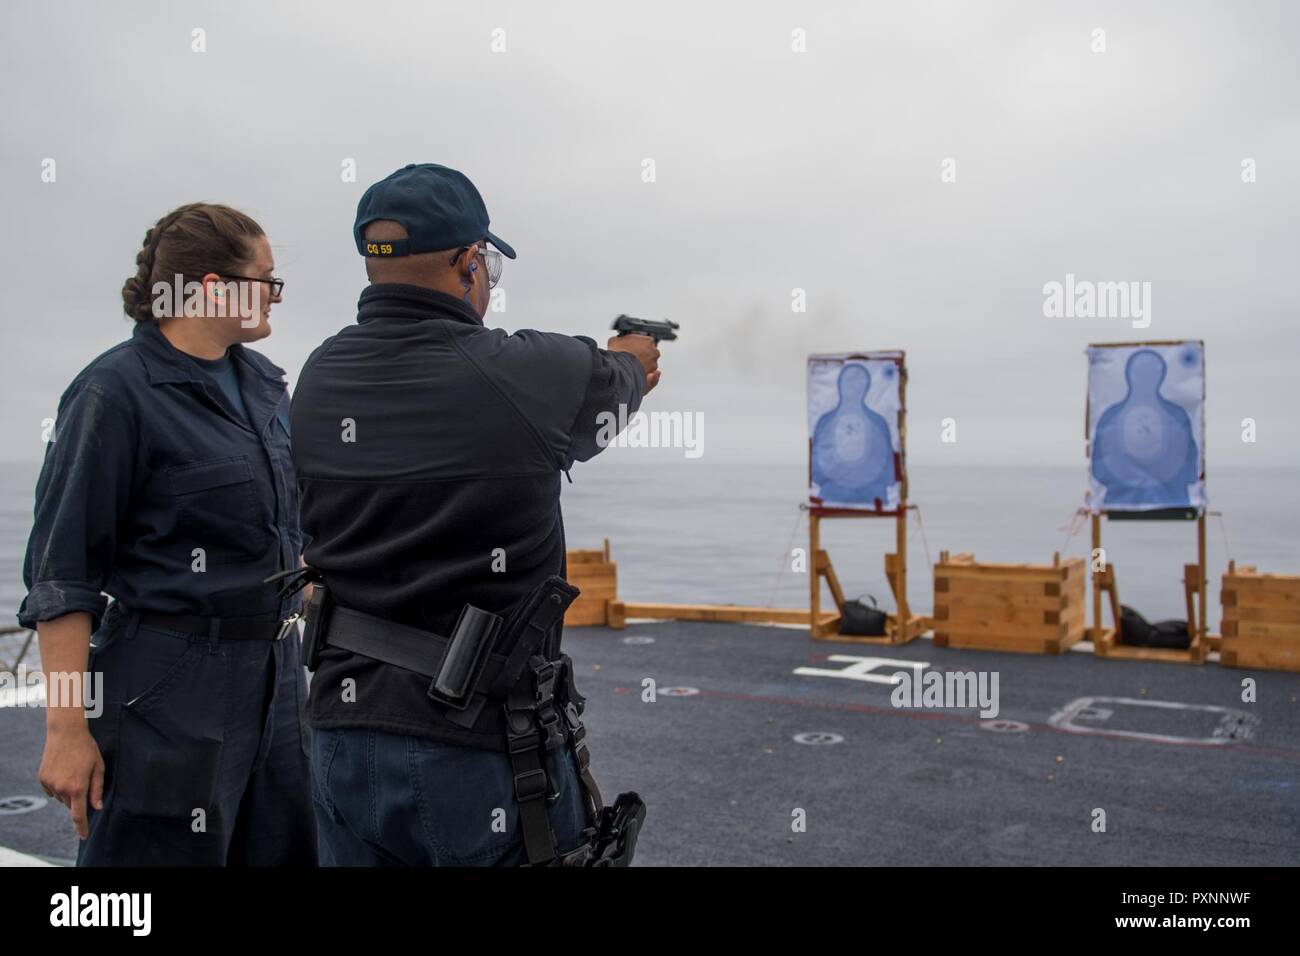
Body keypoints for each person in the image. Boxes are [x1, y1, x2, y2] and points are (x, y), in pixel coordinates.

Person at [290, 163, 657, 866]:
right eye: (485, 260)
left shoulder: (317, 374)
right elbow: (616, 386)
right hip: (479, 748)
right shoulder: (527, 371)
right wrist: (637, 359)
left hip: (341, 733)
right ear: (466, 263)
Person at [21, 203, 316, 866]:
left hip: (276, 681)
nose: (275, 296)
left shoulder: (267, 391)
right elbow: (63, 577)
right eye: (266, 280)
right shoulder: (113, 393)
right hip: (167, 687)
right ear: (213, 288)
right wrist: (67, 731)